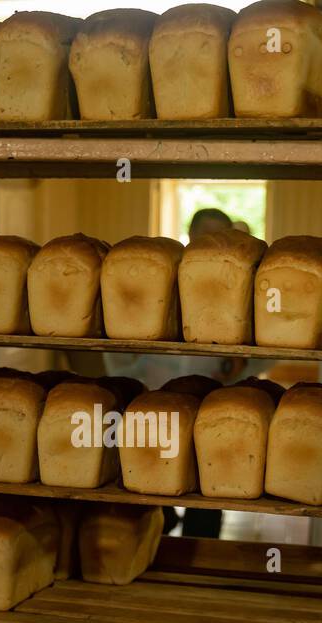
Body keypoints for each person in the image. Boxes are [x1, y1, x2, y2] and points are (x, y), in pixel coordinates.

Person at [103, 208, 249, 538]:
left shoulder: (233, 290)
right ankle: (156, 546)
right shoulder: (162, 282)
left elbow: (253, 357)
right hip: (153, 402)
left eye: (219, 235)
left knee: (208, 492)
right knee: (152, 488)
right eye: (205, 235)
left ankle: (200, 558)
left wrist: (242, 362)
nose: (211, 243)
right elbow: (118, 351)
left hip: (212, 406)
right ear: (191, 236)